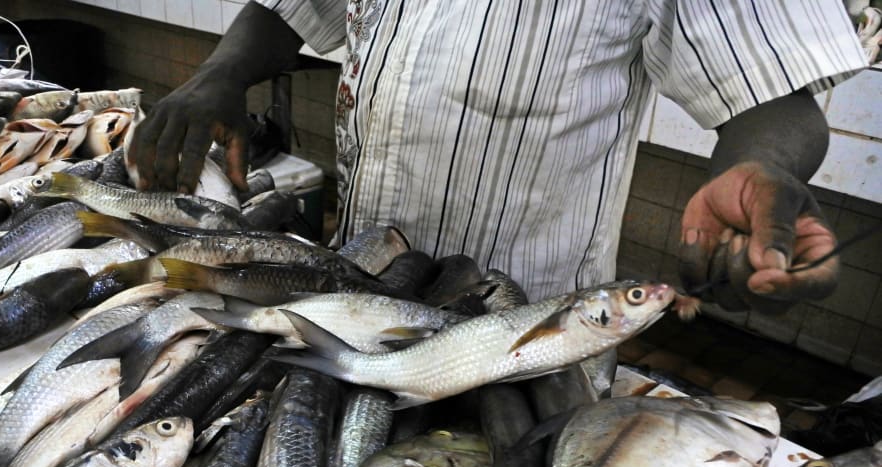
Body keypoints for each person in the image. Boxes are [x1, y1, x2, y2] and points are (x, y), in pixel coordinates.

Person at [128, 1, 867, 314]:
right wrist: (222, 71)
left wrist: (762, 166)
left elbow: (771, 90)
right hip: (360, 289)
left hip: (528, 325)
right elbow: (288, 5)